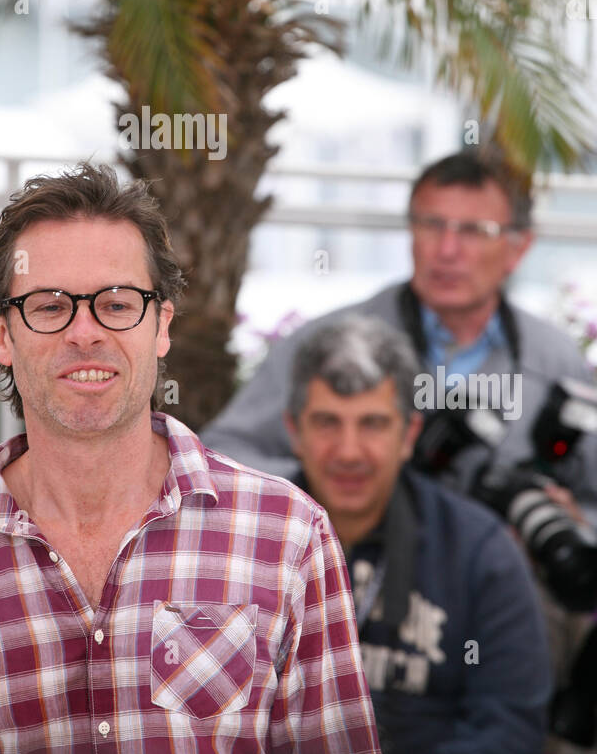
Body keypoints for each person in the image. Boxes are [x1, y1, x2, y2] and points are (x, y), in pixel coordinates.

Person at [0, 162, 384, 754]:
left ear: (162, 325)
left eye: (116, 303)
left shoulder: (287, 537)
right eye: (49, 306)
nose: (85, 333)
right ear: (1, 333)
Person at [203, 150, 597, 528]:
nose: (447, 250)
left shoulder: (552, 357)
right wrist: (325, 484)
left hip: (499, 584)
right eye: (431, 225)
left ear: (519, 247)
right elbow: (219, 457)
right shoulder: (332, 343)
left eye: (474, 231)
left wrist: (567, 520)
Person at [284, 314, 553, 754]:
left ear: (409, 434)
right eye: (328, 423)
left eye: (372, 424)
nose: (349, 452)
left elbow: (510, 732)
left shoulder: (480, 552)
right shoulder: (241, 544)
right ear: (294, 432)